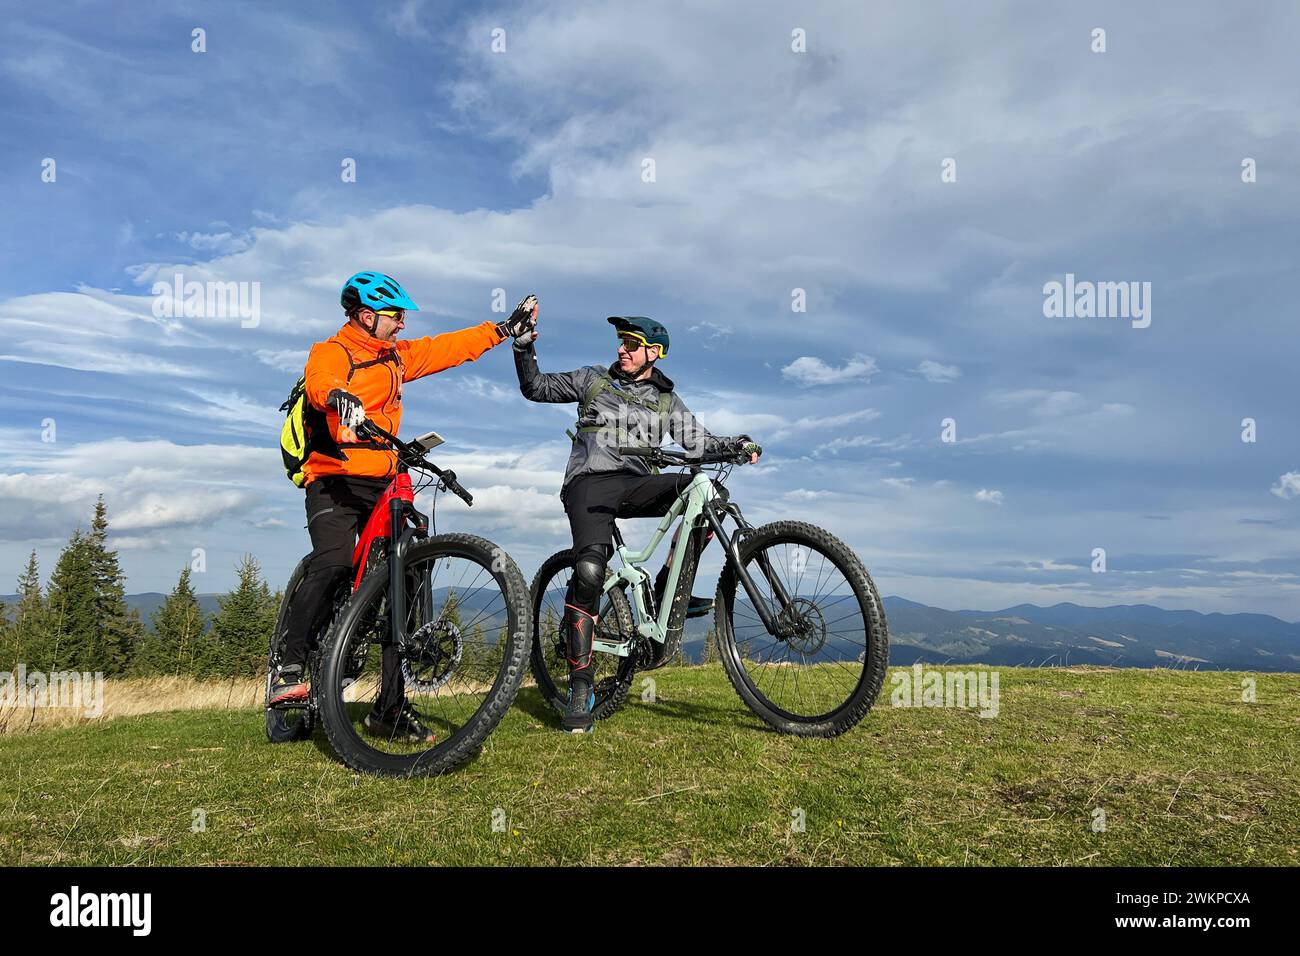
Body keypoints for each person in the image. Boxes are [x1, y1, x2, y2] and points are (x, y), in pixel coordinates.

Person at [268, 272, 538, 743]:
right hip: (335, 478)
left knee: (408, 575)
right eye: (395, 316)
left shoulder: (397, 357)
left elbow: (448, 347)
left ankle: (390, 708)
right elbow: (320, 382)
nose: (403, 323)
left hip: (388, 477)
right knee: (333, 561)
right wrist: (339, 397)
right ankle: (291, 667)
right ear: (367, 316)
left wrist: (503, 329)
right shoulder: (333, 350)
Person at [513, 312, 761, 733]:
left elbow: (698, 442)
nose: (621, 349)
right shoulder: (593, 378)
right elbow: (535, 388)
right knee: (590, 570)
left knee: (707, 493)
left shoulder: (666, 399)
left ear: (654, 353)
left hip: (635, 484)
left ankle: (669, 591)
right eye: (620, 341)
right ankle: (579, 686)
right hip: (589, 483)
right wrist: (522, 347)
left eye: (630, 343)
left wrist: (736, 444)